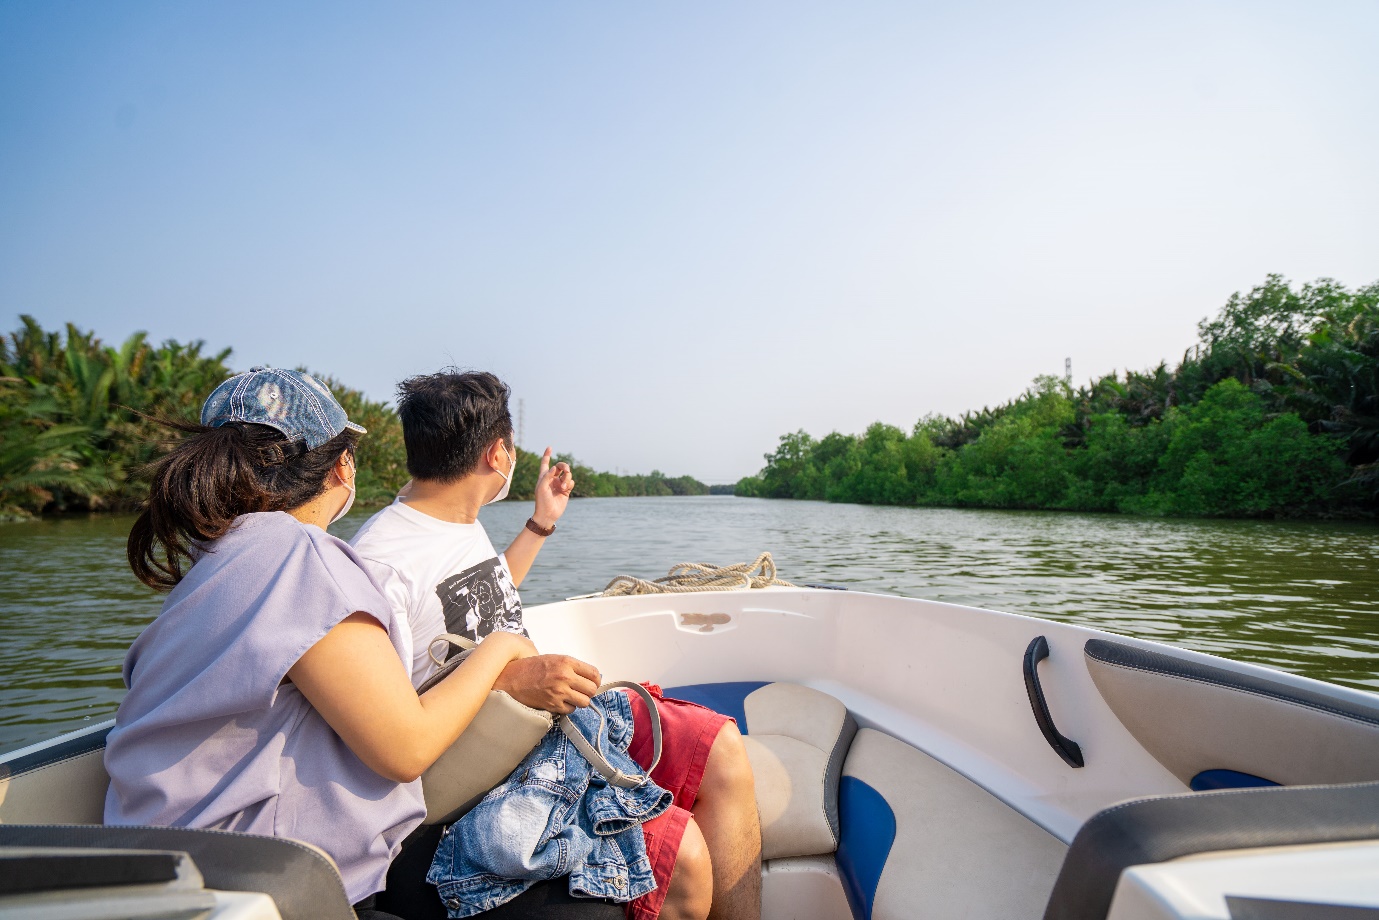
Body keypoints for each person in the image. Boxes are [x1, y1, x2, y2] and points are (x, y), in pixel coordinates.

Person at [103, 367, 567, 917]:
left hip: (175, 872)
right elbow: (405, 749)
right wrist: (503, 646)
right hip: (267, 883)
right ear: (341, 466)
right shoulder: (302, 559)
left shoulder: (218, 561)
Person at [350, 370, 763, 920]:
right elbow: (385, 724)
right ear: (499, 454)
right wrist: (505, 677)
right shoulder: (380, 563)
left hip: (542, 726)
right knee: (679, 852)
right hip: (480, 772)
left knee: (721, 747)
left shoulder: (454, 521)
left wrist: (542, 522)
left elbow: (481, 595)